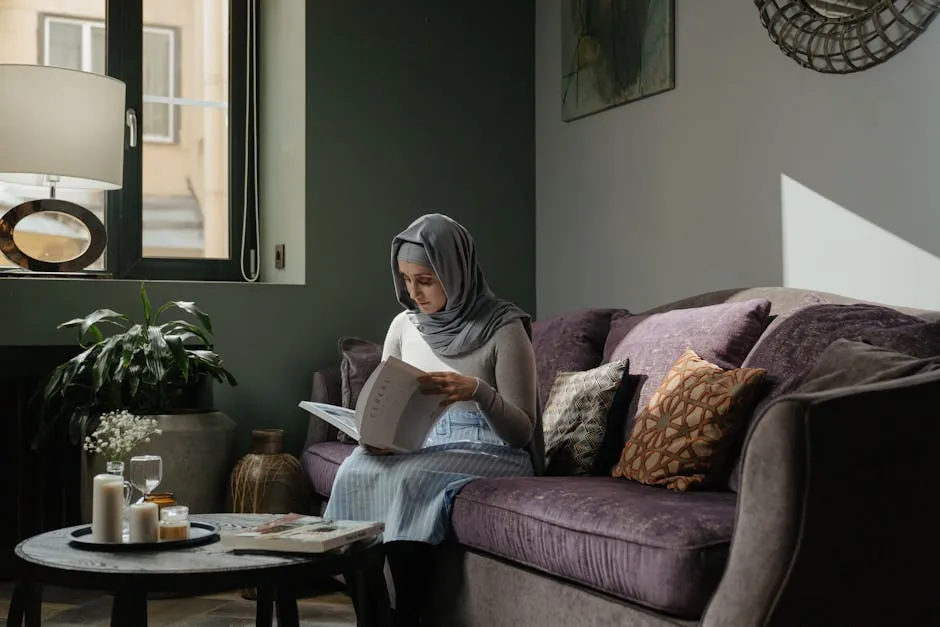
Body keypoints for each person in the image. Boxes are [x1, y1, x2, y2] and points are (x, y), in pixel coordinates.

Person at [323, 213, 538, 626]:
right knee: (355, 469)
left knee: (410, 478)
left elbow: (522, 431)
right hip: (422, 440)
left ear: (455, 272)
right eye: (406, 279)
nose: (413, 292)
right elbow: (382, 398)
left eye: (425, 280)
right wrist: (375, 435)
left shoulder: (504, 327)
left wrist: (479, 391)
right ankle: (373, 614)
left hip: (491, 447)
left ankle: (407, 615)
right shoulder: (404, 325)